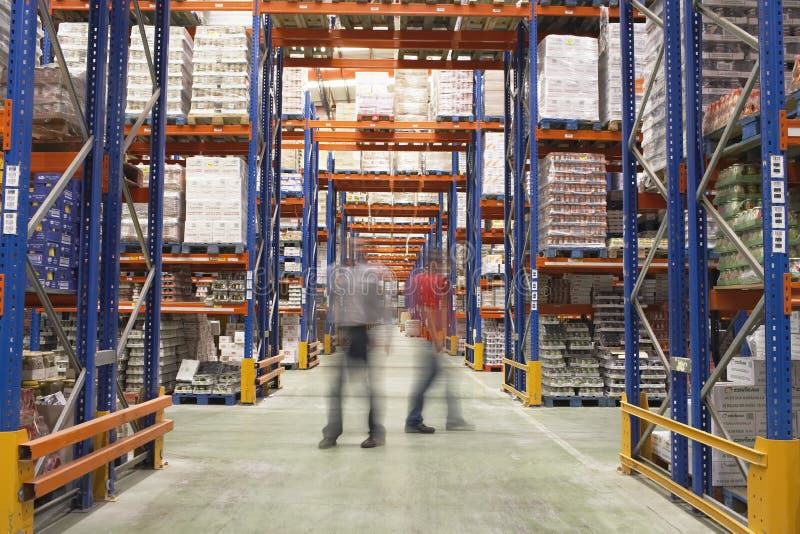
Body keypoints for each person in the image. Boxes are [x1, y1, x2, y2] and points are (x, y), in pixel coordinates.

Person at [320, 254, 391, 449]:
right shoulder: (344, 277)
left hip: (361, 334)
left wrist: (383, 334)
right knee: (337, 387)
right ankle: (333, 432)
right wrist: (340, 331)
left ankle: (376, 432)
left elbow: (380, 307)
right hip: (348, 334)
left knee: (365, 387)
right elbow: (339, 306)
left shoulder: (367, 277)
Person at [405, 252, 474, 434]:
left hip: (430, 338)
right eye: (442, 263)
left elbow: (437, 308)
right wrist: (436, 337)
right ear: (434, 263)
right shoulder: (431, 281)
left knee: (441, 379)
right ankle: (414, 420)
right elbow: (427, 310)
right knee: (426, 380)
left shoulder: (426, 280)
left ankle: (452, 418)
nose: (445, 267)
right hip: (429, 340)